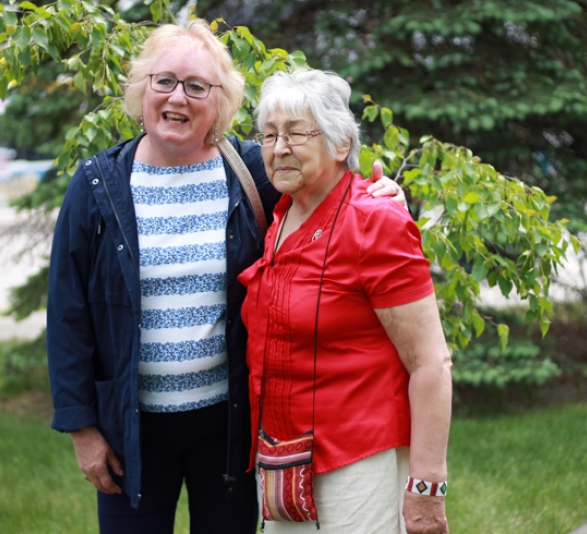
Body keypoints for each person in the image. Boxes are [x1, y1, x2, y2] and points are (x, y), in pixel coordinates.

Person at [46, 19, 403, 534]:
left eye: (197, 87)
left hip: (229, 430)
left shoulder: (251, 171)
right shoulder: (97, 184)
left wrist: (380, 191)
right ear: (141, 89)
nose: (178, 98)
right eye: (164, 81)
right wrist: (83, 429)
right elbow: (67, 313)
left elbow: (329, 186)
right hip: (131, 433)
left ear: (220, 103)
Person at [239, 68, 453, 534]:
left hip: (360, 464)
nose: (278, 148)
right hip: (285, 463)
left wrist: (427, 489)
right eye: (270, 135)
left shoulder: (374, 220)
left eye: (296, 133)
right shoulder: (280, 218)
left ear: (341, 145)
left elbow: (431, 363)